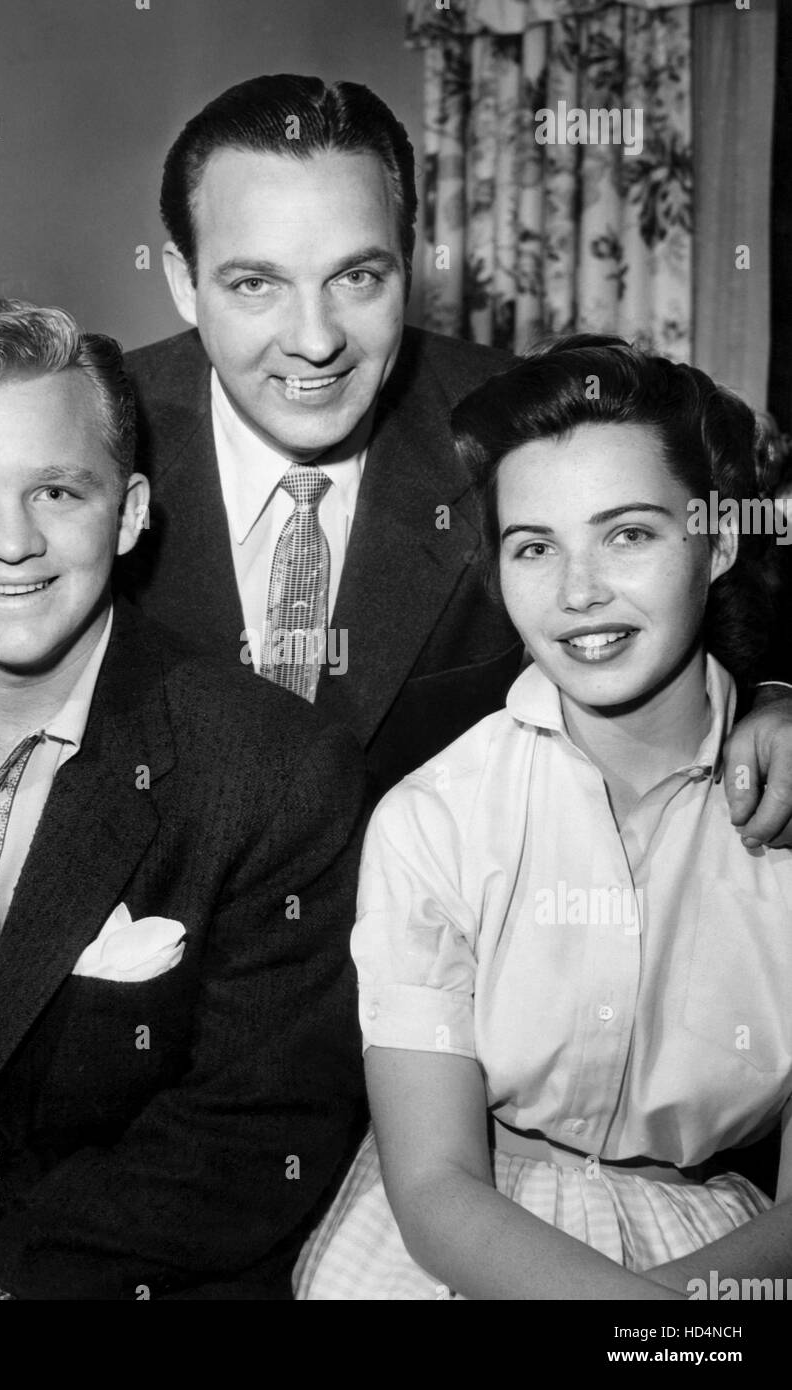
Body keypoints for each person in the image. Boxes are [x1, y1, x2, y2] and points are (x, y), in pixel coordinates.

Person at [0, 74, 792, 829]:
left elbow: (724, 582)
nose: (314, 340)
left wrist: (778, 697)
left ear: (410, 259)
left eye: (358, 276)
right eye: (256, 284)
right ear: (185, 284)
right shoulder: (86, 424)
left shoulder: (527, 428)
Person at [0, 297, 367, 1301]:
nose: (11, 542)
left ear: (133, 508)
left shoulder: (274, 768)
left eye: (58, 490)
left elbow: (256, 1127)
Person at [295, 338, 792, 1301]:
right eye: (535, 546)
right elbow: (436, 1188)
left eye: (630, 534)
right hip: (467, 1251)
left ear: (719, 541)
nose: (578, 591)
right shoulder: (434, 821)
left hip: (728, 1265)